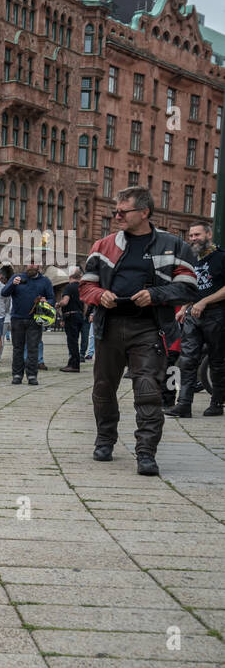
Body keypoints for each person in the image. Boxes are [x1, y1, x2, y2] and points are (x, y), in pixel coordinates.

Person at [77, 186, 198, 475]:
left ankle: (146, 453)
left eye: (123, 211)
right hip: (109, 326)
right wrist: (99, 295)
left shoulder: (174, 246)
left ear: (144, 212)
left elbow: (189, 287)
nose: (116, 215)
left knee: (148, 391)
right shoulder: (103, 245)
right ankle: (105, 440)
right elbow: (86, 285)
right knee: (103, 389)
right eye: (115, 210)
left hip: (149, 327)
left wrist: (156, 294)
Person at [166, 220, 225, 417]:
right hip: (194, 316)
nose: (193, 239)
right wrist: (184, 307)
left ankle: (217, 403)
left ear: (208, 235)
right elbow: (194, 289)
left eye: (197, 235)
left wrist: (204, 302)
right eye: (190, 235)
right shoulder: (193, 260)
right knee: (187, 360)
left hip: (217, 315)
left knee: (217, 361)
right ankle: (183, 404)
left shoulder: (221, 257)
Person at [1, 256, 54, 385]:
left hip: (35, 320)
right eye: (29, 263)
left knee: (33, 348)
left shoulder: (45, 281)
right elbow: (4, 293)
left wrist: (46, 301)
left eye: (34, 264)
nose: (31, 265)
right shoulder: (17, 278)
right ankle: (17, 375)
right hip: (17, 318)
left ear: (39, 266)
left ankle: (32, 375)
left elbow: (52, 299)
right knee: (17, 348)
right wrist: (13, 284)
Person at [56, 268, 85, 372]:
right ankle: (72, 362)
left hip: (71, 316)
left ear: (70, 277)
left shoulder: (69, 287)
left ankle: (74, 365)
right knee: (75, 340)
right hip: (80, 316)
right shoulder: (82, 288)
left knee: (72, 342)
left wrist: (58, 304)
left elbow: (65, 301)